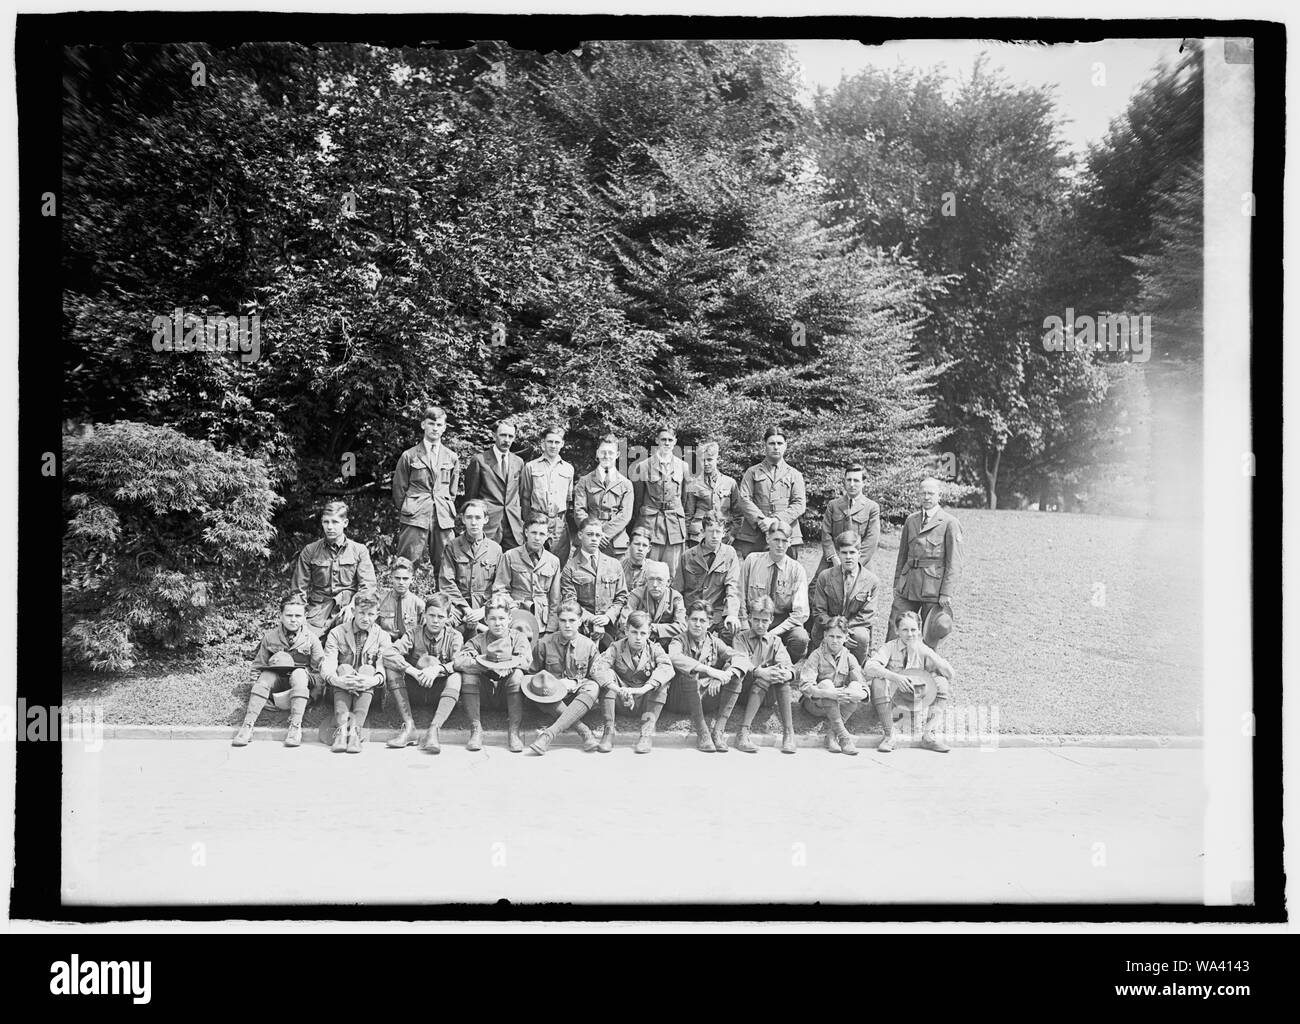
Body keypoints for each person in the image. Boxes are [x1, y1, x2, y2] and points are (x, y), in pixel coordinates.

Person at [233, 594, 325, 748]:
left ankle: (295, 726)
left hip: (300, 687)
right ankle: (247, 726)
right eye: (289, 615)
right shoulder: (270, 638)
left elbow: (319, 672)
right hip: (277, 683)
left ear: (305, 616)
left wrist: (312, 697)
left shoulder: (311, 639)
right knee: (267, 674)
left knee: (299, 673)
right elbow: (257, 667)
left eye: (298, 615)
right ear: (280, 616)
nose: (293, 619)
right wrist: (261, 692)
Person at [320, 590, 404, 754]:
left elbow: (382, 666)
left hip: (370, 691)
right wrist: (335, 679)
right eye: (362, 613)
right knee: (344, 668)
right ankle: (342, 731)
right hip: (339, 688)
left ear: (377, 614)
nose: (366, 618)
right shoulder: (337, 633)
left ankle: (355, 732)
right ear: (353, 611)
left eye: (371, 614)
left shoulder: (382, 636)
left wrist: (372, 680)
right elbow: (328, 662)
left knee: (367, 669)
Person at [863, 610, 956, 753]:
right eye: (905, 630)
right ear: (897, 630)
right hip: (891, 700)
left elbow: (950, 674)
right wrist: (895, 677)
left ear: (919, 630)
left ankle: (929, 735)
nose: (910, 634)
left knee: (942, 682)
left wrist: (930, 653)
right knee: (878, 681)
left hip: (915, 698)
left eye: (913, 630)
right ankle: (889, 736)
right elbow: (869, 667)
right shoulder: (890, 647)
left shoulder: (923, 649)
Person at [888, 477, 963, 648]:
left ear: (939, 495)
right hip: (908, 584)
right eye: (923, 493)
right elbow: (903, 555)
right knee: (896, 626)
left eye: (931, 493)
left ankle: (925, 671)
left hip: (933, 587)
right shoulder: (911, 520)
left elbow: (955, 562)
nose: (927, 497)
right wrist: (897, 582)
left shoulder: (949, 522)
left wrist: (947, 592)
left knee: (930, 634)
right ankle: (891, 667)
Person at [667, 601, 749, 753]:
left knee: (736, 675)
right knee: (689, 675)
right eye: (694, 619)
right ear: (686, 620)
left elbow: (741, 657)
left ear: (710, 623)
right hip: (680, 699)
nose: (697, 624)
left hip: (705, 698)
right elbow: (674, 656)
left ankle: (718, 731)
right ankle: (702, 732)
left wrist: (723, 676)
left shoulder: (714, 642)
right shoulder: (678, 640)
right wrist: (710, 671)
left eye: (702, 620)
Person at [522, 601, 602, 755]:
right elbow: (531, 675)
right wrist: (554, 684)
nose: (567, 625)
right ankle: (584, 731)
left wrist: (574, 682)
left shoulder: (589, 645)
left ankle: (548, 735)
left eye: (572, 620)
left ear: (580, 621)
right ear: (557, 621)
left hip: (578, 697)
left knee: (594, 687)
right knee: (537, 691)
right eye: (563, 620)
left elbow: (596, 676)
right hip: (551, 698)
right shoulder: (544, 643)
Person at [592, 611, 675, 753]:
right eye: (634, 632)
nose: (638, 638)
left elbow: (667, 668)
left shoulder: (655, 649)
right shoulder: (616, 647)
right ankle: (609, 730)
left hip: (644, 701)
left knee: (661, 683)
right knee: (608, 675)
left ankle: (646, 734)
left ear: (649, 633)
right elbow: (597, 668)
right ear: (626, 631)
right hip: (620, 699)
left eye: (643, 633)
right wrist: (618, 689)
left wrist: (642, 689)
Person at [390, 594, 465, 752]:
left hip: (439, 692)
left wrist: (438, 669)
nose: (435, 621)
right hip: (415, 689)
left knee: (457, 676)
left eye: (440, 616)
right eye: (431, 615)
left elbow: (459, 662)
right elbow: (389, 653)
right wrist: (414, 672)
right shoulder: (413, 634)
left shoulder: (455, 636)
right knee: (391, 668)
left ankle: (434, 730)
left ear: (448, 617)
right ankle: (409, 726)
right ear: (424, 615)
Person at [290, 500, 376, 636]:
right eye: (326, 522)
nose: (330, 527)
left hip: (348, 609)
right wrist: (298, 616)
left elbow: (368, 587)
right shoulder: (310, 551)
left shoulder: (359, 550)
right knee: (301, 643)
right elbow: (298, 590)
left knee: (354, 639)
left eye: (335, 522)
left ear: (345, 523)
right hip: (318, 611)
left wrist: (354, 605)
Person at [452, 601, 531, 752]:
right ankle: (476, 729)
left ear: (509, 619)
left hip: (506, 694)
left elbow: (526, 661)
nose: (498, 623)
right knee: (469, 675)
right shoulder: (478, 640)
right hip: (484, 693)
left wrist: (508, 665)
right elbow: (459, 661)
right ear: (486, 620)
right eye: (493, 619)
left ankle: (514, 731)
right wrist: (483, 665)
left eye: (502, 618)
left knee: (518, 675)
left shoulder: (518, 637)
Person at [392, 405, 461, 570]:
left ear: (444, 428)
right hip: (415, 515)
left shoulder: (451, 457)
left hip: (443, 516)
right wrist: (410, 508)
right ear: (423, 425)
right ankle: (405, 596)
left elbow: (452, 491)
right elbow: (399, 488)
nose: (435, 428)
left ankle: (444, 596)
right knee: (407, 562)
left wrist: (444, 505)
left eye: (439, 425)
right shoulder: (409, 455)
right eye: (431, 423)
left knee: (446, 563)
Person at [726, 595, 796, 754]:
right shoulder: (740, 638)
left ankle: (788, 733)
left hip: (768, 696)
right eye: (756, 619)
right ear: (750, 618)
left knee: (781, 678)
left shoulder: (775, 641)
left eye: (764, 621)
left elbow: (790, 667)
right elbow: (740, 661)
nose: (760, 624)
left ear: (771, 619)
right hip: (744, 692)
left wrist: (786, 674)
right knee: (763, 678)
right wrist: (759, 672)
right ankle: (743, 732)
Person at [738, 521, 810, 663]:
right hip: (755, 619)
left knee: (800, 638)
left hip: (781, 623)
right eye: (776, 540)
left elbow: (800, 613)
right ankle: (746, 663)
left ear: (790, 542)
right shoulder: (752, 561)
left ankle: (784, 665)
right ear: (767, 539)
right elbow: (739, 595)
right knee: (732, 631)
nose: (780, 545)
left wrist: (773, 633)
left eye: (784, 541)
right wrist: (745, 623)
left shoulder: (796, 570)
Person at [798, 617, 869, 755]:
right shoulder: (816, 655)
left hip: (838, 703)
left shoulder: (849, 657)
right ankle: (844, 737)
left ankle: (831, 735)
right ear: (825, 636)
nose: (835, 641)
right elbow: (805, 686)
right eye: (831, 636)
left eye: (839, 637)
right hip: (816, 704)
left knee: (855, 686)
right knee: (826, 684)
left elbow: (863, 684)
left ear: (846, 637)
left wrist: (860, 694)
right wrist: (828, 694)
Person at [735, 426, 807, 560]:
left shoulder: (794, 475)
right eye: (771, 443)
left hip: (786, 534)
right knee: (754, 574)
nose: (776, 447)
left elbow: (799, 504)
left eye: (779, 443)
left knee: (786, 575)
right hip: (755, 534)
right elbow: (744, 499)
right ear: (765, 446)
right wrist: (762, 521)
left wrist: (775, 521)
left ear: (785, 446)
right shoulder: (752, 472)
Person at [629, 424, 690, 579]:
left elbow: (685, 499)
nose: (667, 443)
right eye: (663, 439)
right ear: (657, 440)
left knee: (672, 573)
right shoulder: (643, 466)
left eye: (670, 439)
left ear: (675, 441)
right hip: (651, 524)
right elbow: (638, 500)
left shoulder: (683, 466)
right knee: (648, 571)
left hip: (674, 526)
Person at [810, 530, 880, 665]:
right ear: (838, 554)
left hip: (853, 630)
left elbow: (867, 616)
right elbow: (819, 611)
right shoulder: (825, 576)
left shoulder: (872, 581)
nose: (848, 557)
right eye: (844, 552)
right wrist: (836, 630)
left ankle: (856, 667)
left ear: (859, 553)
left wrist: (845, 631)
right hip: (827, 628)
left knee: (861, 635)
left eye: (852, 552)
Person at [560, 519, 629, 651]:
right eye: (589, 534)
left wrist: (608, 617)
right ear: (580, 535)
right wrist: (592, 619)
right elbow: (570, 601)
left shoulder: (614, 564)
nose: (594, 539)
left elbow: (622, 597)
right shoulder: (571, 567)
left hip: (610, 625)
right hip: (581, 626)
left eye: (598, 535)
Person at [439, 499, 503, 639]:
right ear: (463, 519)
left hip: (485, 606)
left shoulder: (495, 549)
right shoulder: (452, 546)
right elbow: (446, 582)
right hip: (459, 606)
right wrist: (466, 609)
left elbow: (500, 586)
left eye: (478, 517)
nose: (473, 522)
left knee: (502, 629)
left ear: (485, 519)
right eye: (469, 517)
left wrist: (483, 610)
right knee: (441, 624)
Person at [674, 511, 742, 640]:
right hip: (693, 613)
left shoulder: (730, 554)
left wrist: (731, 614)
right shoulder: (688, 556)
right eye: (711, 531)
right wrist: (680, 617)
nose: (715, 536)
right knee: (681, 638)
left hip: (717, 614)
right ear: (703, 531)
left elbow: (733, 588)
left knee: (732, 632)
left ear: (724, 532)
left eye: (718, 531)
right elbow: (677, 591)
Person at [491, 513, 562, 635]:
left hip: (542, 623)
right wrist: (513, 609)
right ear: (526, 532)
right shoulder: (510, 555)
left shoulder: (553, 561)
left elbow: (555, 599)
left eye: (542, 534)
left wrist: (551, 627)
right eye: (534, 533)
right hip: (515, 618)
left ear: (547, 536)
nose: (537, 538)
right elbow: (500, 590)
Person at [461, 420, 525, 549]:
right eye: (503, 435)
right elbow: (471, 498)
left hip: (513, 525)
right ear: (494, 435)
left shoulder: (518, 462)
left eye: (510, 436)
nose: (507, 440)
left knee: (512, 565)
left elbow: (521, 494)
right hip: (488, 524)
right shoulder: (480, 460)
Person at [518, 423, 575, 557]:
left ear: (562, 444)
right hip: (537, 520)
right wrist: (529, 522)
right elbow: (525, 498)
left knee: (558, 561)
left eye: (557, 442)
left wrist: (558, 520)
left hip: (558, 524)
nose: (553, 446)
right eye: (550, 442)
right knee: (534, 560)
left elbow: (568, 500)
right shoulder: (531, 467)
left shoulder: (568, 469)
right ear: (543, 443)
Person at [572, 434, 634, 558]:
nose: (606, 456)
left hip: (616, 541)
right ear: (597, 453)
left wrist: (603, 533)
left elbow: (625, 515)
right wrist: (593, 533)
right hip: (588, 540)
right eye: (603, 452)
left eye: (610, 453)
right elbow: (579, 510)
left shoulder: (626, 484)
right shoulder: (584, 481)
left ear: (617, 454)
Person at [816, 464, 881, 577]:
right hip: (834, 561)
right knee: (814, 589)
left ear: (863, 483)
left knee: (864, 591)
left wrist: (854, 564)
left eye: (856, 480)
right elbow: (826, 534)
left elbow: (871, 540)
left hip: (860, 562)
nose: (852, 484)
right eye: (849, 480)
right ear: (844, 482)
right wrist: (834, 558)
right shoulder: (833, 505)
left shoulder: (871, 507)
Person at [683, 440, 741, 545]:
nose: (706, 464)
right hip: (698, 536)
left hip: (722, 535)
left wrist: (732, 534)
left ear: (717, 459)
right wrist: (686, 537)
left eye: (709, 460)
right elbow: (688, 513)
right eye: (703, 460)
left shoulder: (730, 483)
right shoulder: (692, 483)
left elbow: (739, 513)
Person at [622, 561, 686, 650]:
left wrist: (654, 628)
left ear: (668, 582)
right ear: (646, 580)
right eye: (651, 579)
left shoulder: (676, 597)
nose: (655, 585)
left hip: (667, 646)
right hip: (640, 644)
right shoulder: (636, 594)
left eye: (659, 580)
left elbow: (682, 626)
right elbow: (624, 621)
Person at [620, 527, 667, 594]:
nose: (640, 549)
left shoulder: (655, 569)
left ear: (649, 548)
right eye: (637, 544)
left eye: (644, 545)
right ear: (628, 545)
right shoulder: (619, 566)